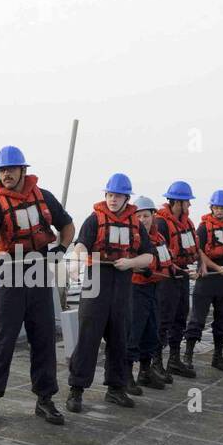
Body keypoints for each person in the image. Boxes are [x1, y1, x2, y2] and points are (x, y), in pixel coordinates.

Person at [0, 145, 73, 427]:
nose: (6, 174)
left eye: (11, 169)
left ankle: (45, 400)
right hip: (9, 275)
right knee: (2, 341)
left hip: (40, 274)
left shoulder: (44, 197)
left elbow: (67, 225)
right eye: (2, 170)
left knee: (43, 338)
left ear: (23, 170)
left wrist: (62, 248)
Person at [65, 174, 155, 412]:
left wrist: (131, 262)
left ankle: (115, 389)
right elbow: (81, 244)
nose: (113, 199)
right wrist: (76, 263)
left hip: (123, 290)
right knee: (88, 339)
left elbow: (149, 256)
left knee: (120, 340)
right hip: (96, 287)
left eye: (118, 196)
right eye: (110, 195)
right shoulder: (94, 219)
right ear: (105, 196)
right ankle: (76, 390)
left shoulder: (135, 225)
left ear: (127, 198)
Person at [183, 190, 223, 372]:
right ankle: (188, 356)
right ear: (211, 208)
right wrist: (216, 268)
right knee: (197, 319)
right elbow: (199, 251)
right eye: (216, 207)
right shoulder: (203, 227)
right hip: (207, 279)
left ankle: (218, 357)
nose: (219, 211)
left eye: (222, 208)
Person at [153, 181, 198, 380]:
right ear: (178, 202)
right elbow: (162, 254)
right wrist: (180, 269)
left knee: (180, 317)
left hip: (182, 276)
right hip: (167, 279)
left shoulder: (188, 224)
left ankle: (174, 359)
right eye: (187, 202)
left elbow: (196, 249)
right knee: (164, 319)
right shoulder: (161, 222)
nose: (189, 206)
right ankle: (156, 362)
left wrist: (201, 265)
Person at [126, 196, 171, 393]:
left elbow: (164, 260)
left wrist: (176, 270)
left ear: (154, 216)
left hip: (154, 289)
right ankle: (125, 375)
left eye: (146, 215)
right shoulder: (131, 237)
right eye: (139, 216)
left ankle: (144, 372)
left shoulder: (159, 238)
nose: (143, 220)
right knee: (133, 333)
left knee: (151, 332)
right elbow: (125, 262)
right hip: (136, 290)